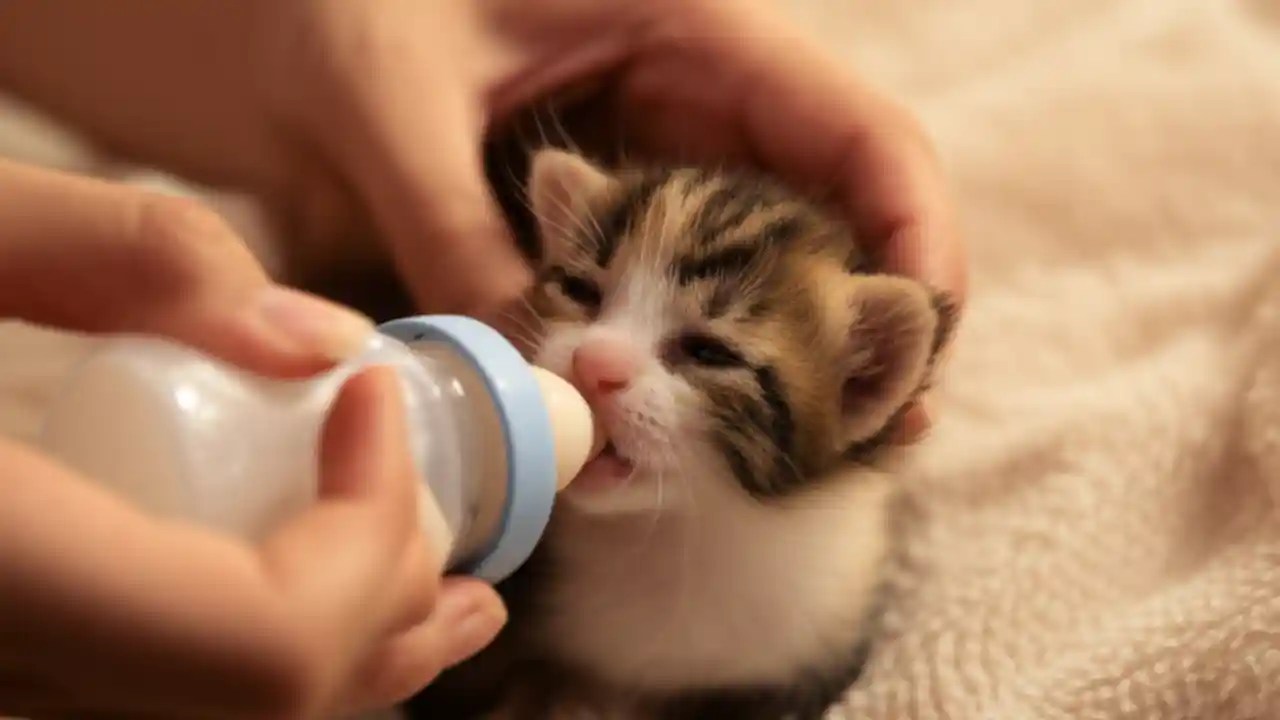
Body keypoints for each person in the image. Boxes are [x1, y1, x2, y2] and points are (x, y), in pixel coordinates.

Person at [0, 1, 967, 717]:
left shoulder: (811, 611)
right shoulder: (515, 531)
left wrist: (317, 39)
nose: (597, 360)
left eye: (708, 348)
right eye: (581, 292)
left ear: (863, 380)